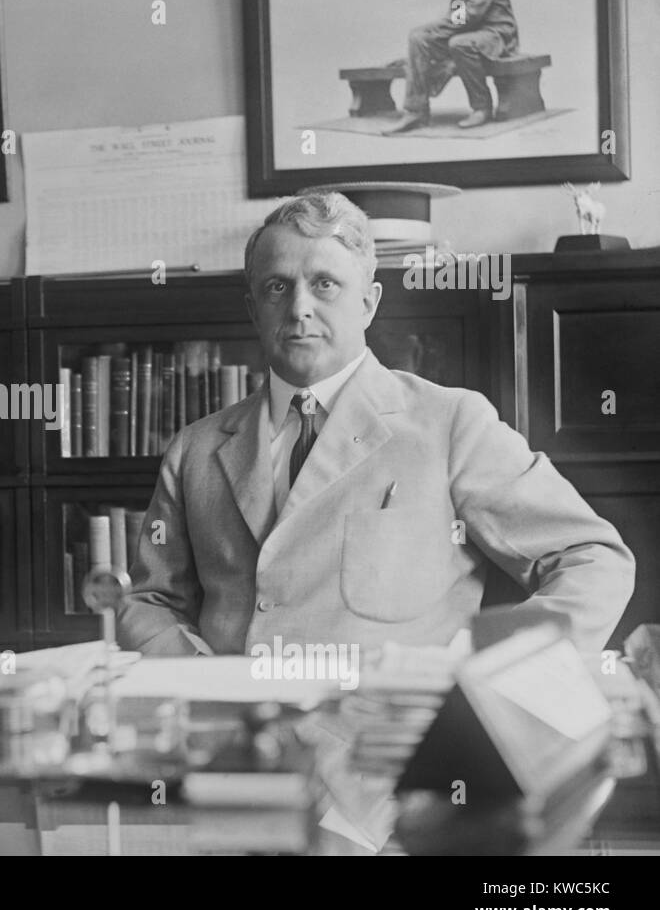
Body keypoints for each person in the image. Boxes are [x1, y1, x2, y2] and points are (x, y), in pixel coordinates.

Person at [117, 193, 633, 657]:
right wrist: (196, 681)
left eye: (325, 285)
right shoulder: (196, 449)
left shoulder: (451, 423)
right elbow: (151, 601)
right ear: (255, 310)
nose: (300, 308)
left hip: (388, 740)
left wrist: (494, 668)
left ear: (368, 302)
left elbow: (591, 560)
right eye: (278, 287)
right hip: (232, 739)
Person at [386, 0, 519, 133]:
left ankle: (482, 107)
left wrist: (432, 30)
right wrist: (425, 39)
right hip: (470, 31)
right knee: (417, 39)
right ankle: (415, 111)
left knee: (458, 43)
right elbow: (457, 13)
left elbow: (471, 14)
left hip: (496, 33)